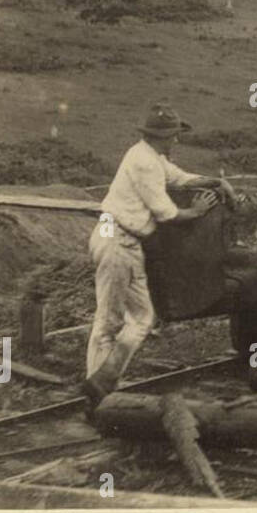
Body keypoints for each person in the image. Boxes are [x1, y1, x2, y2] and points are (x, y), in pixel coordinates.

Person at [79, 103, 236, 410]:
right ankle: (97, 389)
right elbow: (165, 213)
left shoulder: (151, 157)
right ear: (161, 136)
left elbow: (179, 177)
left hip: (128, 241)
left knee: (143, 318)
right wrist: (198, 211)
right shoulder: (144, 163)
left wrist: (215, 181)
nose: (176, 140)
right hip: (116, 238)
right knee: (109, 320)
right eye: (173, 135)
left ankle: (105, 380)